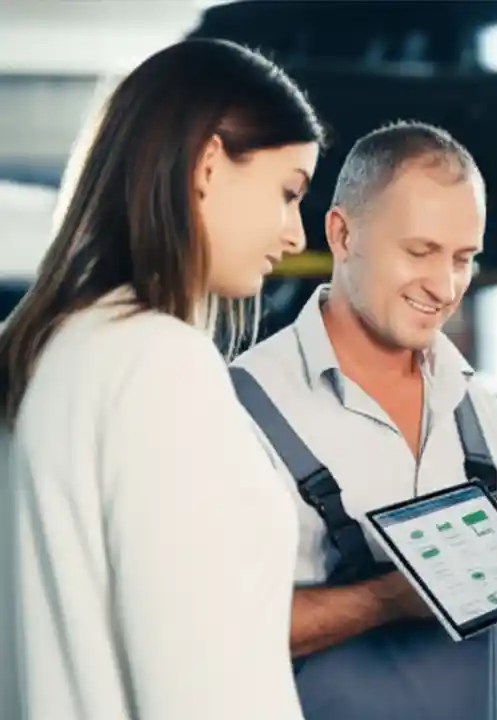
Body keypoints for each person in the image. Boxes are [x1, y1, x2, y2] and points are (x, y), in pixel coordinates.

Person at [0, 39, 325, 719]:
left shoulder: (45, 352)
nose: (296, 233)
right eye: (288, 191)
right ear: (209, 163)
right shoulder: (159, 364)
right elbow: (198, 683)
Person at [229, 120, 497, 720]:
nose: (444, 285)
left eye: (465, 258)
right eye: (420, 252)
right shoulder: (244, 411)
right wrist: (389, 598)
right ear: (342, 233)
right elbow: (217, 629)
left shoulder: (478, 412)